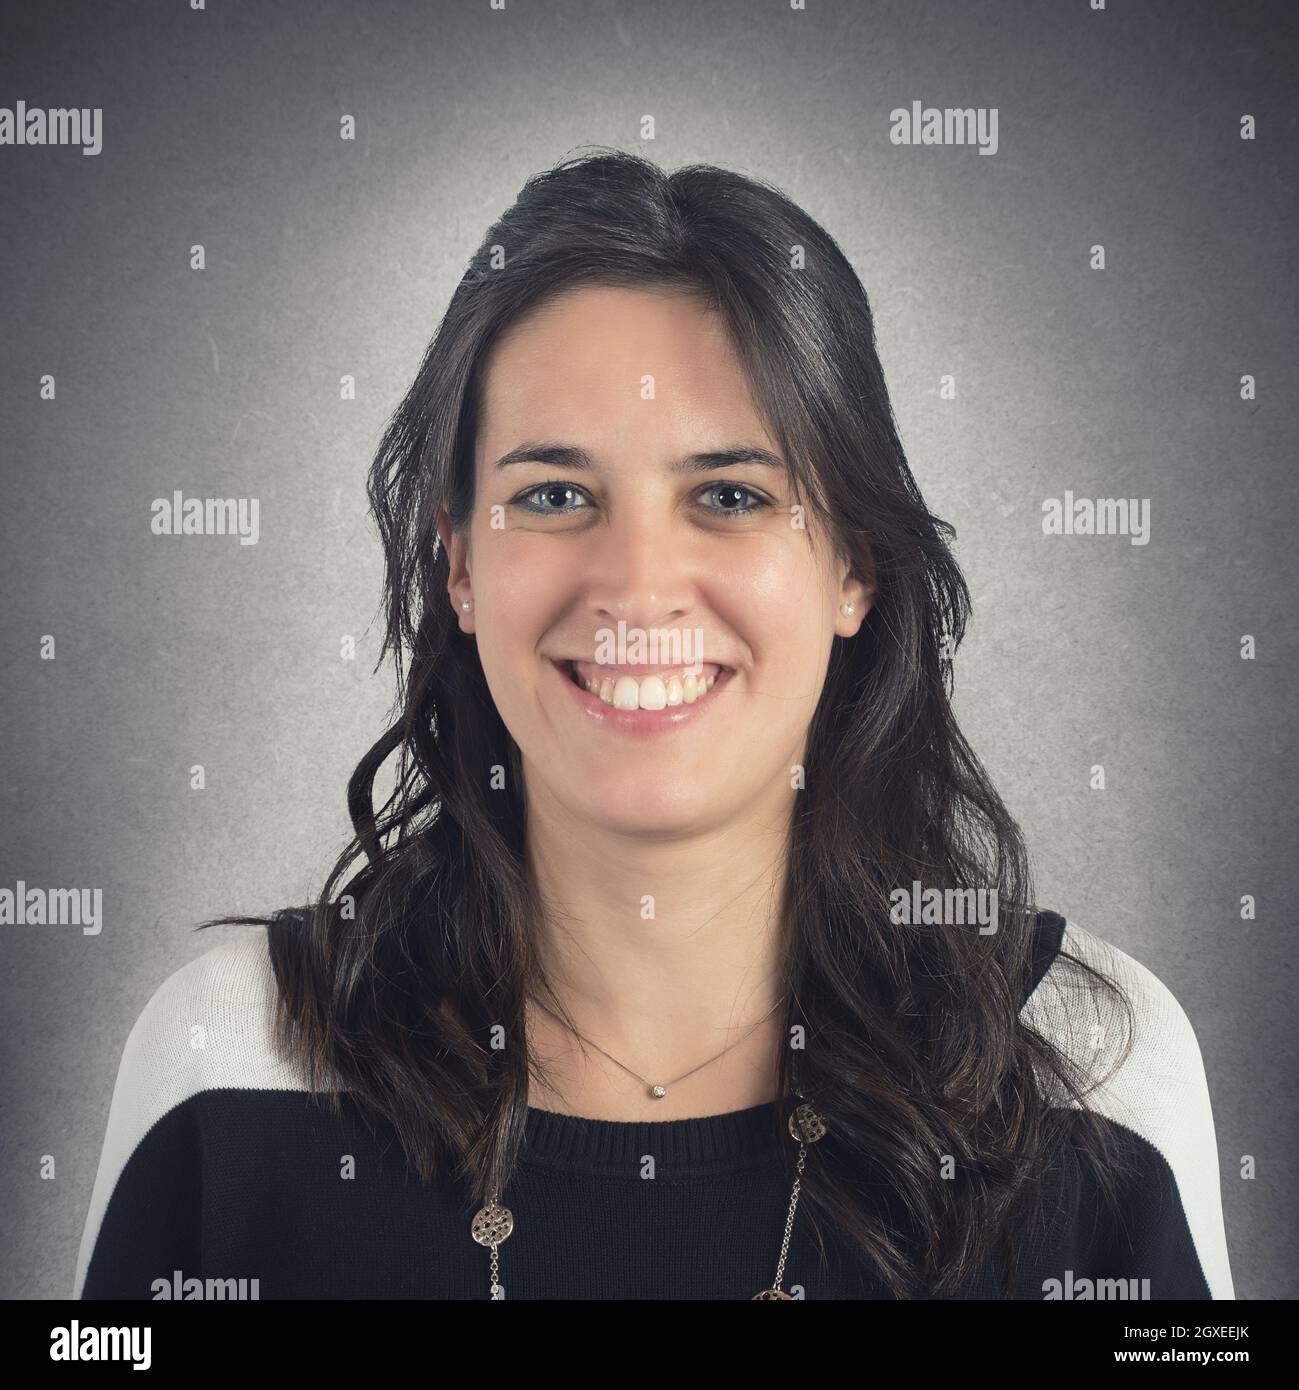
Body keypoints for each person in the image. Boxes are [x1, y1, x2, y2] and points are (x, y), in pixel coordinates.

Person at [75, 148, 1233, 1301]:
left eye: (729, 496)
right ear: (461, 562)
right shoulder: (226, 1069)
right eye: (553, 495)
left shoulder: (1092, 1070)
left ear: (854, 569)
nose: (635, 589)